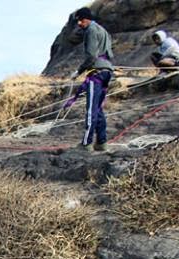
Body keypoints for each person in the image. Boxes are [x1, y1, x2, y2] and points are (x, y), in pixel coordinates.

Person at [69, 7, 114, 152]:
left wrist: (79, 71)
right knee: (98, 108)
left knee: (90, 109)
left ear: (86, 19)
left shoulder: (90, 30)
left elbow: (91, 56)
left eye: (80, 21)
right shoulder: (104, 31)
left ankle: (86, 143)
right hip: (107, 71)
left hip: (96, 73)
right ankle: (101, 143)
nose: (79, 24)